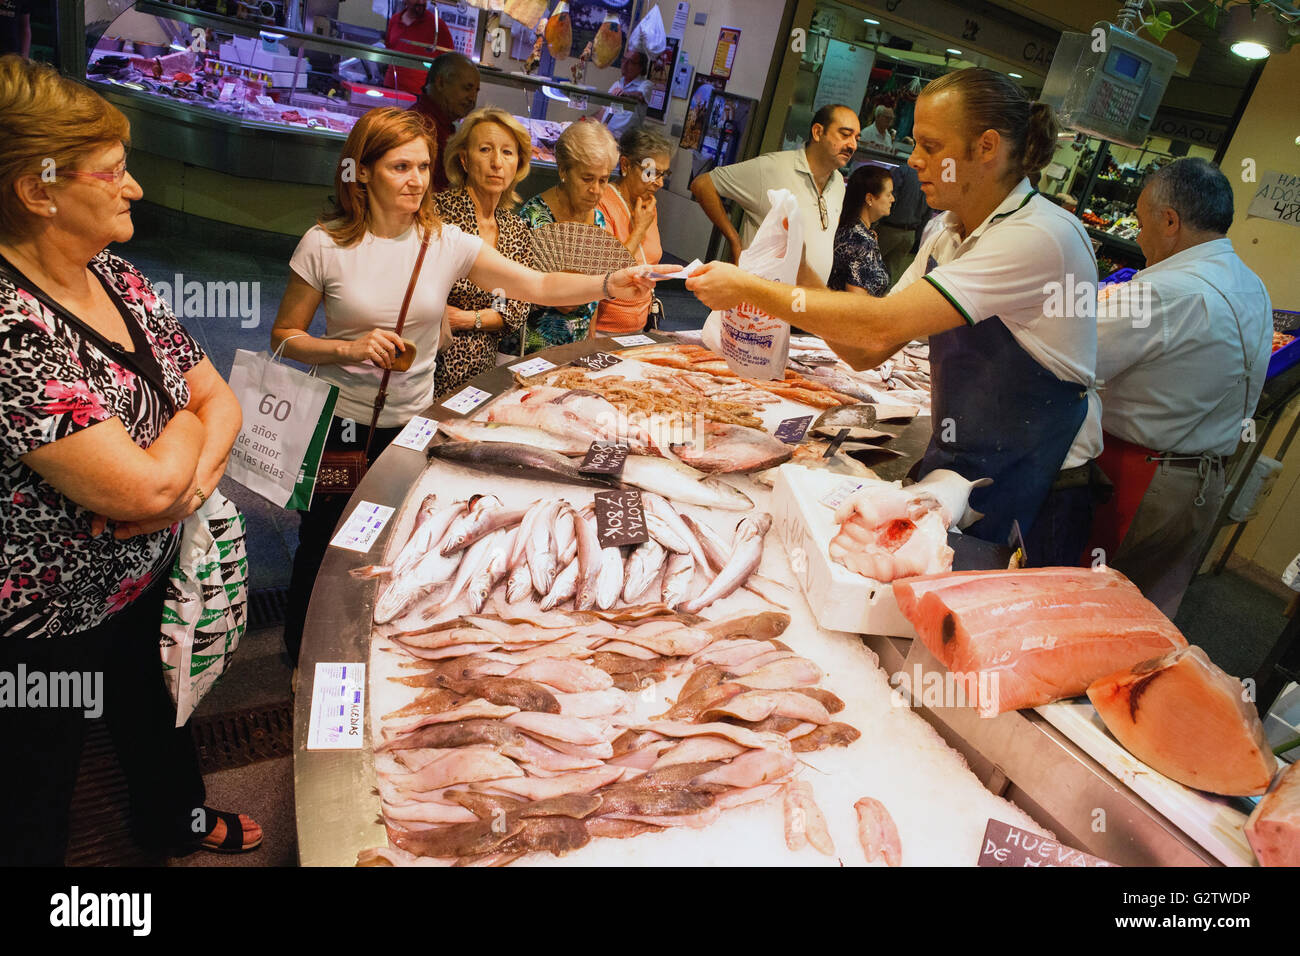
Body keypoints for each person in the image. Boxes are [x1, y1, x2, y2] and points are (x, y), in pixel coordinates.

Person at [274, 108, 652, 661]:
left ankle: (358, 647)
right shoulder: (323, 244)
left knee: (395, 537)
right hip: (338, 424)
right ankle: (299, 652)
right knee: (324, 540)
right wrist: (347, 349)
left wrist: (606, 280)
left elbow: (537, 283)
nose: (415, 180)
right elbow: (284, 338)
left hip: (412, 423)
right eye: (400, 166)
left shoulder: (443, 241)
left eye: (423, 166)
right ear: (362, 171)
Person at [685, 68, 1102, 566]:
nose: (913, 159)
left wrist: (751, 288)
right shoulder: (946, 231)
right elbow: (867, 349)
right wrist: (794, 267)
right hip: (964, 468)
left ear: (986, 147)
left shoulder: (1040, 236)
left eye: (930, 145)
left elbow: (878, 324)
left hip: (1040, 481)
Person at [0, 56, 257, 862]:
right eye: (112, 172)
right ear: (38, 191)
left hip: (142, 574)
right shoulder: (11, 329)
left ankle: (177, 821)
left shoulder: (112, 270)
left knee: (155, 719)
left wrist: (172, 487)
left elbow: (225, 399)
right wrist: (175, 460)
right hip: (45, 620)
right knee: (34, 786)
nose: (134, 188)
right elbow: (145, 483)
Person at [1089, 158, 1272, 617]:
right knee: (1141, 612)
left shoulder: (1167, 291)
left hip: (1141, 476)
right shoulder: (1252, 284)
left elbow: (1074, 358)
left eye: (1140, 218)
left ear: (1169, 220)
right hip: (1203, 482)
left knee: (1088, 606)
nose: (1136, 233)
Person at [689, 103, 859, 280]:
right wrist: (734, 241)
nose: (853, 145)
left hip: (804, 300)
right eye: (845, 134)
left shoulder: (839, 182)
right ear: (817, 132)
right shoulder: (772, 167)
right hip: (760, 295)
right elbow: (702, 185)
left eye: (857, 138)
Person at [432, 107, 535, 396]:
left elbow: (516, 309)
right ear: (464, 159)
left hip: (484, 370)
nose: (496, 163)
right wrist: (487, 316)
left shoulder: (517, 228)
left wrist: (468, 318)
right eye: (485, 149)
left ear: (518, 164)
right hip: (429, 365)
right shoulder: (437, 213)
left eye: (507, 152)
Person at [506, 119, 621, 354]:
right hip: (531, 348)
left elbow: (595, 295)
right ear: (563, 171)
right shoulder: (535, 217)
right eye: (587, 179)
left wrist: (590, 338)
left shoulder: (598, 219)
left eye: (604, 179)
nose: (596, 190)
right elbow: (565, 302)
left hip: (578, 347)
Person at [595, 125, 673, 334]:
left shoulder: (647, 204)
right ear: (626, 164)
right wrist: (638, 230)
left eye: (664, 174)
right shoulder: (601, 204)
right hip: (602, 328)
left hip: (639, 325)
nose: (659, 183)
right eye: (652, 173)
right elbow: (607, 273)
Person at [409, 52, 480, 192]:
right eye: (467, 88)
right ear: (441, 83)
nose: (472, 98)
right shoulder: (422, 125)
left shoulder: (444, 125)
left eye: (476, 91)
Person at [828, 164, 894, 296]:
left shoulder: (855, 230)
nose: (893, 199)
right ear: (869, 198)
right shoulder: (861, 242)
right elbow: (856, 303)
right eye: (888, 194)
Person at [875, 160, 929, 285]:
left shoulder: (903, 170)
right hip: (910, 235)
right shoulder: (930, 178)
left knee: (868, 265)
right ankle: (883, 301)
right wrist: (918, 238)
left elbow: (890, 198)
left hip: (889, 230)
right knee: (891, 274)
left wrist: (874, 223)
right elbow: (928, 213)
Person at [385, 0, 456, 95]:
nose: (421, 2)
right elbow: (389, 49)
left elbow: (450, 59)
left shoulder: (437, 25)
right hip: (390, 86)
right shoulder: (394, 20)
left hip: (419, 92)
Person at [600, 50, 651, 141]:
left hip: (625, 142)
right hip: (605, 137)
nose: (625, 64)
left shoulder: (645, 85)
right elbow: (603, 111)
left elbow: (639, 96)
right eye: (624, 60)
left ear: (640, 68)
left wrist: (626, 94)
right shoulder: (617, 84)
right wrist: (587, 123)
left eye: (630, 62)